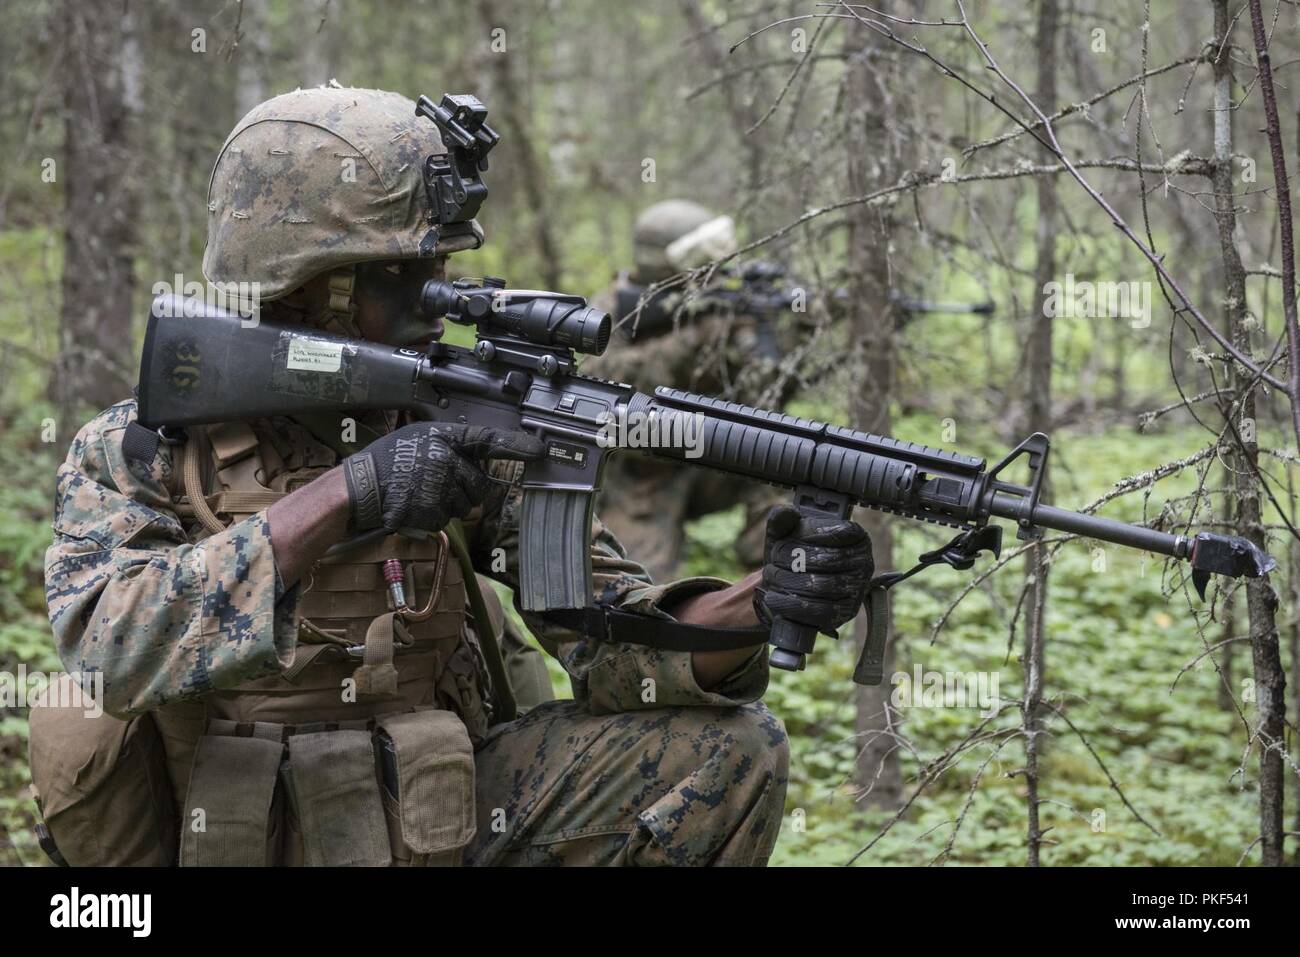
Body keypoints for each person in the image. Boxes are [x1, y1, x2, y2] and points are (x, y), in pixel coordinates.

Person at [32, 87, 873, 867]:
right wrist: (349, 494)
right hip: (235, 836)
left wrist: (751, 607)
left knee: (738, 746)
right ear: (306, 285)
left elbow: (612, 642)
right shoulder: (144, 445)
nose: (437, 296)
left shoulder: (441, 417)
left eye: (438, 266)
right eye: (402, 274)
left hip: (443, 818)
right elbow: (112, 651)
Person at [584, 200, 792, 582]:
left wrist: (790, 329)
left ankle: (769, 581)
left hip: (715, 456)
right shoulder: (614, 308)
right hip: (643, 471)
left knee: (782, 453)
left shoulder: (723, 302)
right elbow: (599, 386)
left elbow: (769, 390)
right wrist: (691, 341)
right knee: (631, 586)